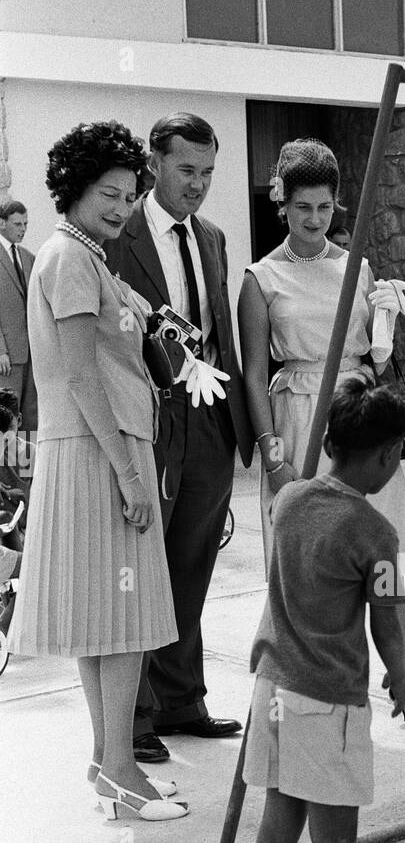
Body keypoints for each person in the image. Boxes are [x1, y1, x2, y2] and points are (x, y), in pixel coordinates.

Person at [239, 137, 405, 730]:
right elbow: (254, 373)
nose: (314, 220)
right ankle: (304, 691)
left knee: (381, 556)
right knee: (307, 565)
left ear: (338, 206)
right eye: (302, 207)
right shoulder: (259, 279)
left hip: (354, 419)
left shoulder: (357, 267)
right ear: (281, 203)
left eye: (325, 208)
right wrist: (273, 453)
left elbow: (380, 360)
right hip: (296, 420)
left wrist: (387, 339)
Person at [7, 121, 187, 820]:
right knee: (125, 618)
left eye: (129, 195)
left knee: (105, 619)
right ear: (76, 188)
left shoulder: (77, 255)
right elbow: (82, 376)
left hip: (92, 449)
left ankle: (106, 764)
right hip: (97, 452)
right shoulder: (71, 260)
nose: (120, 207)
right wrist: (131, 476)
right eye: (108, 194)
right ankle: (118, 767)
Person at [244, 377, 405, 843]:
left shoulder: (288, 499)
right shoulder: (375, 533)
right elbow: (389, 624)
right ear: (389, 455)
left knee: (277, 825)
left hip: (273, 686)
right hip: (328, 699)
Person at [105, 113, 253, 765]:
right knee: (140, 568)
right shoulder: (119, 235)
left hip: (207, 418)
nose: (198, 185)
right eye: (187, 171)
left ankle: (181, 700)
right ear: (154, 164)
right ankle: (131, 714)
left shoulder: (215, 237)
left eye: (208, 173)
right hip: (147, 418)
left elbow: (219, 331)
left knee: (193, 561)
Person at [0, 199, 38, 445]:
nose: (22, 229)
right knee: (5, 418)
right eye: (17, 224)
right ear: (2, 224)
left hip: (32, 353)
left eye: (25, 224)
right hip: (7, 357)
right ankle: (3, 477)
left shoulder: (29, 257)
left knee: (30, 417)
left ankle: (25, 477)